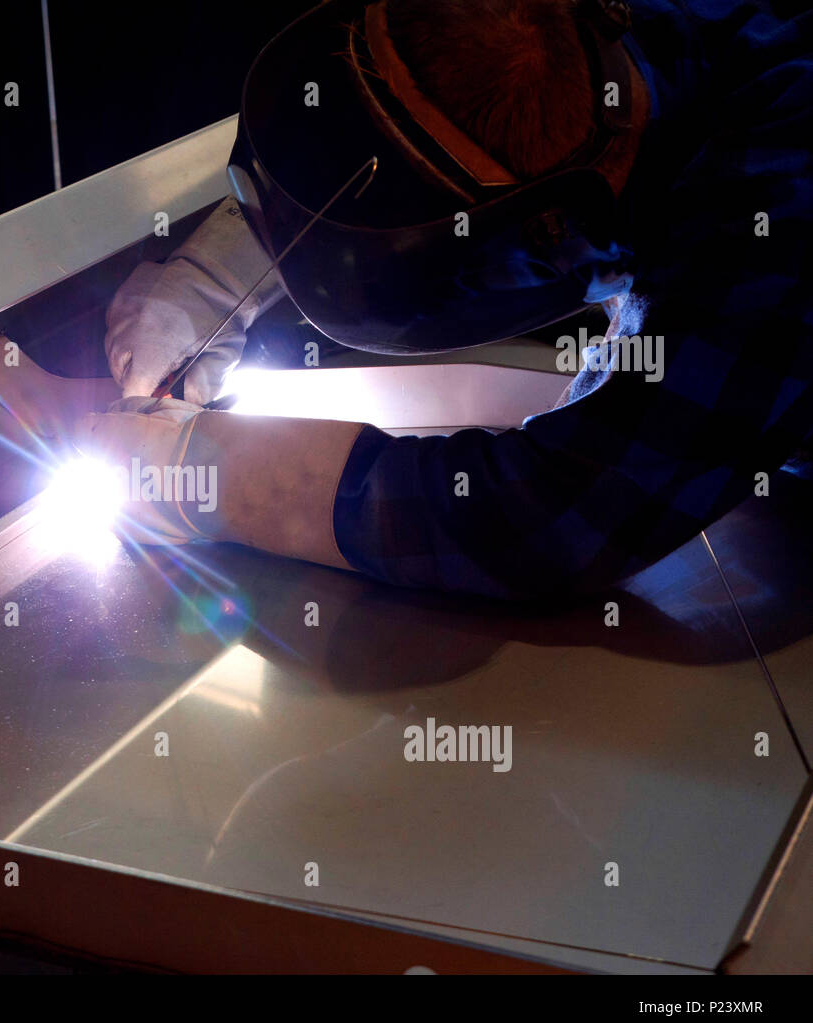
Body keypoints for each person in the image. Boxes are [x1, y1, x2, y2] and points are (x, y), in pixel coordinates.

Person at [77, 0, 811, 600]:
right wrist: (230, 264)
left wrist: (206, 475)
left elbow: (553, 514)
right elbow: (419, 105)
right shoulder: (595, 40)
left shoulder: (780, 198)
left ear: (544, 238)